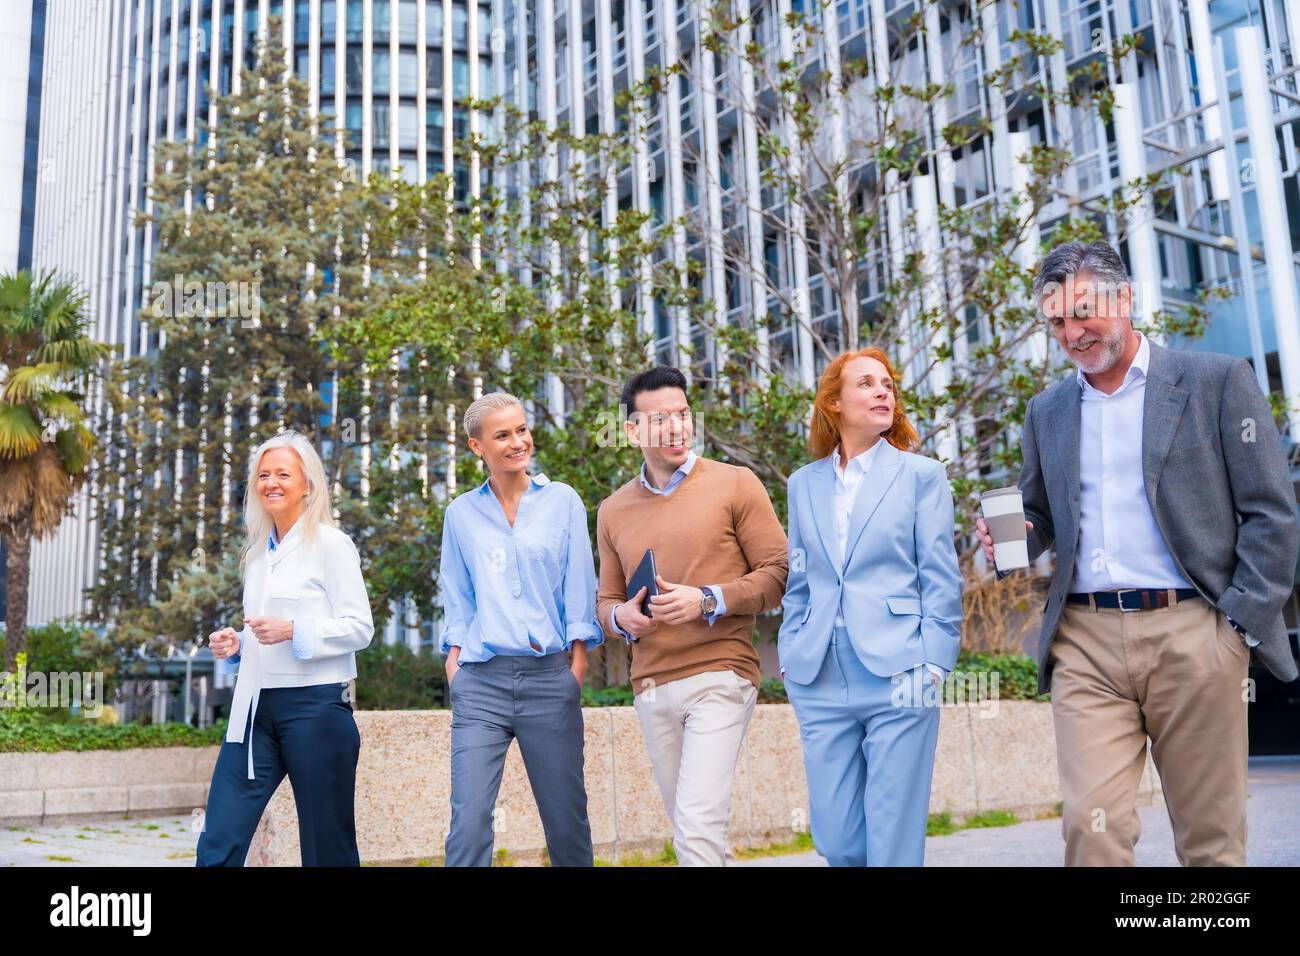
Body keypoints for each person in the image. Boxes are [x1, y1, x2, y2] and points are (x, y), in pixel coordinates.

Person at [977, 240, 1300, 866]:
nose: (1071, 333)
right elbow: (1042, 517)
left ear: (1124, 299)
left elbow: (1271, 510)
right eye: (1057, 323)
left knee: (1211, 840)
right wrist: (1014, 536)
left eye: (1083, 313)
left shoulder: (1215, 381)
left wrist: (1236, 624)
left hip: (1194, 632)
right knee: (1090, 830)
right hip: (1085, 643)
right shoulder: (1047, 411)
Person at [595, 366, 788, 866]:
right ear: (633, 431)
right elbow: (605, 603)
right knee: (694, 827)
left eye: (683, 414)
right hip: (652, 685)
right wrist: (623, 620)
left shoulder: (736, 484)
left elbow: (778, 574)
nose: (678, 427)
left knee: (698, 826)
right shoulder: (613, 510)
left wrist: (706, 599)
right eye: (661, 420)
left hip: (722, 674)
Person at [778, 348, 962, 866]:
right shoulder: (802, 483)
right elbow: (801, 581)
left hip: (899, 667)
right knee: (836, 840)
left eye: (887, 384)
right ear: (834, 402)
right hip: (819, 672)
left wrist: (932, 664)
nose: (884, 391)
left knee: (892, 836)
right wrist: (791, 653)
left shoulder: (921, 475)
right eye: (866, 384)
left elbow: (941, 577)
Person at [439, 391, 602, 867]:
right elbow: (457, 595)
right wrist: (455, 662)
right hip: (480, 682)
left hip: (550, 679)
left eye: (522, 430)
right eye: (503, 435)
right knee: (468, 823)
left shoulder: (563, 501)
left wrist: (576, 661)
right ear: (477, 447)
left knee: (566, 822)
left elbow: (578, 583)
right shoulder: (460, 515)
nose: (518, 442)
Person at [199, 430, 374, 867]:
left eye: (283, 474)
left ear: (307, 485)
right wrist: (237, 643)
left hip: (316, 710)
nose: (270, 483)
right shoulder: (257, 554)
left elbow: (360, 628)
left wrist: (295, 630)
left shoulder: (332, 545)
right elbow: (262, 631)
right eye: (263, 475)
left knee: (326, 849)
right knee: (219, 837)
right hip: (254, 711)